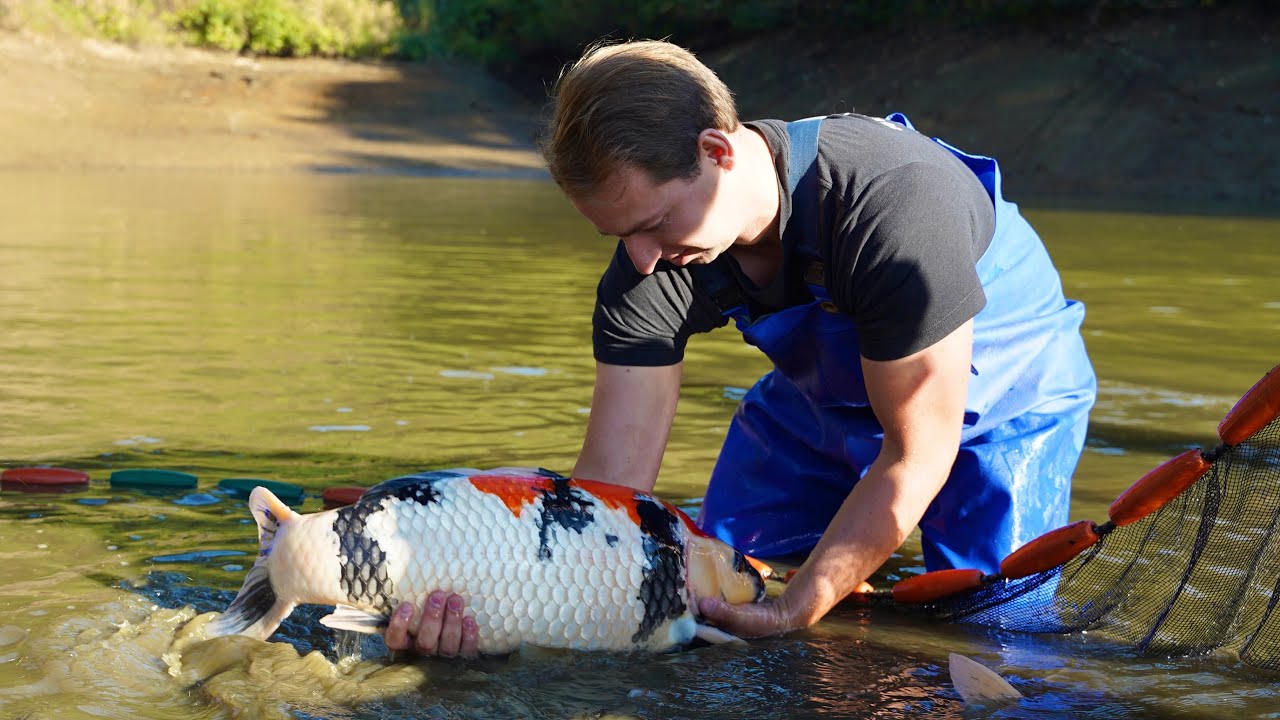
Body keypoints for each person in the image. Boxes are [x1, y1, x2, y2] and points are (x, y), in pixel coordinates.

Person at [385, 38, 1096, 655]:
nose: (639, 259)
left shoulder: (895, 208)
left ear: (717, 151)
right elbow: (611, 492)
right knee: (723, 589)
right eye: (618, 235)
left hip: (1001, 401)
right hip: (822, 402)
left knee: (990, 633)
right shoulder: (650, 265)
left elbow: (916, 454)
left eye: (654, 222)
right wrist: (492, 589)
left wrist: (797, 607)